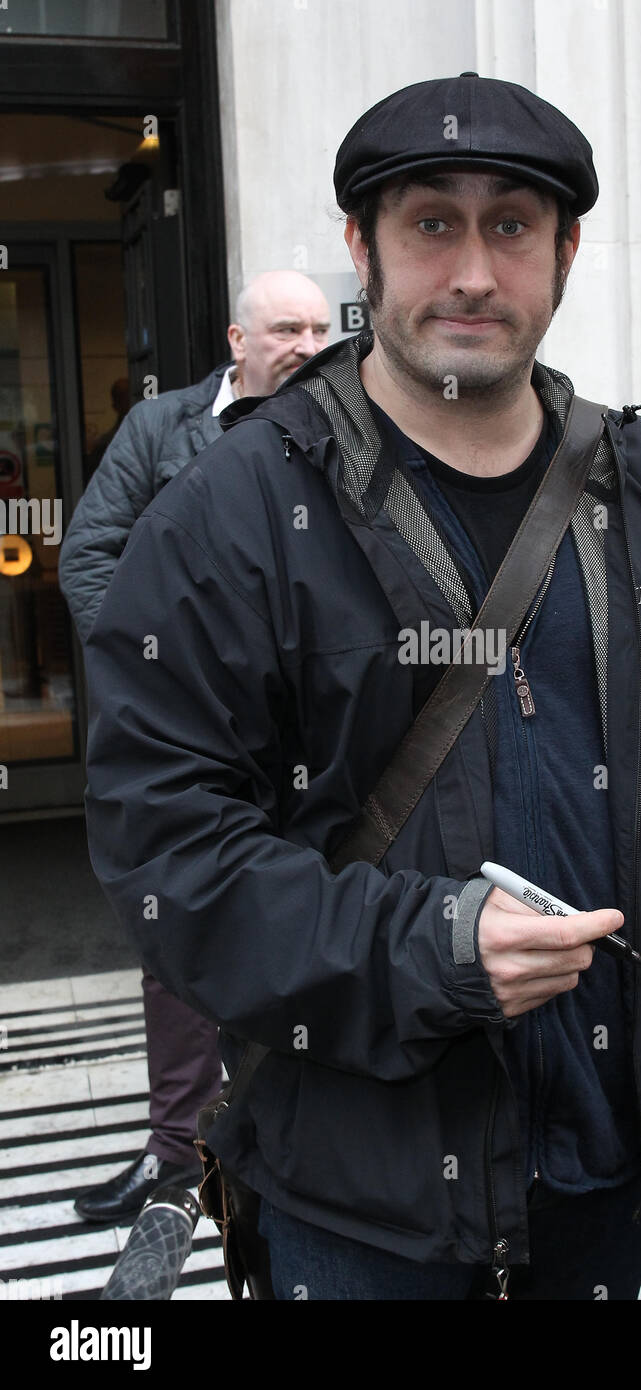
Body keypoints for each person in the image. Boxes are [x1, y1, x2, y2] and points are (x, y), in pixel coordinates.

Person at [82, 73, 641, 1298]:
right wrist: (427, 944)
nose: (475, 271)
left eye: (512, 226)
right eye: (433, 222)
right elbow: (167, 851)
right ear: (360, 250)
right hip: (356, 1198)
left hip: (602, 1163)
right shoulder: (234, 510)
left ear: (565, 250)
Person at [60, 270, 332, 1223]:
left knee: (312, 918)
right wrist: (157, 674)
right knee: (173, 932)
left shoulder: (351, 422)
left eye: (317, 326)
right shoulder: (162, 427)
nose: (304, 342)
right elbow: (88, 553)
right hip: (189, 733)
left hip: (310, 734)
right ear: (237, 340)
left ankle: (294, 1138)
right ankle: (177, 1156)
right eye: (284, 328)